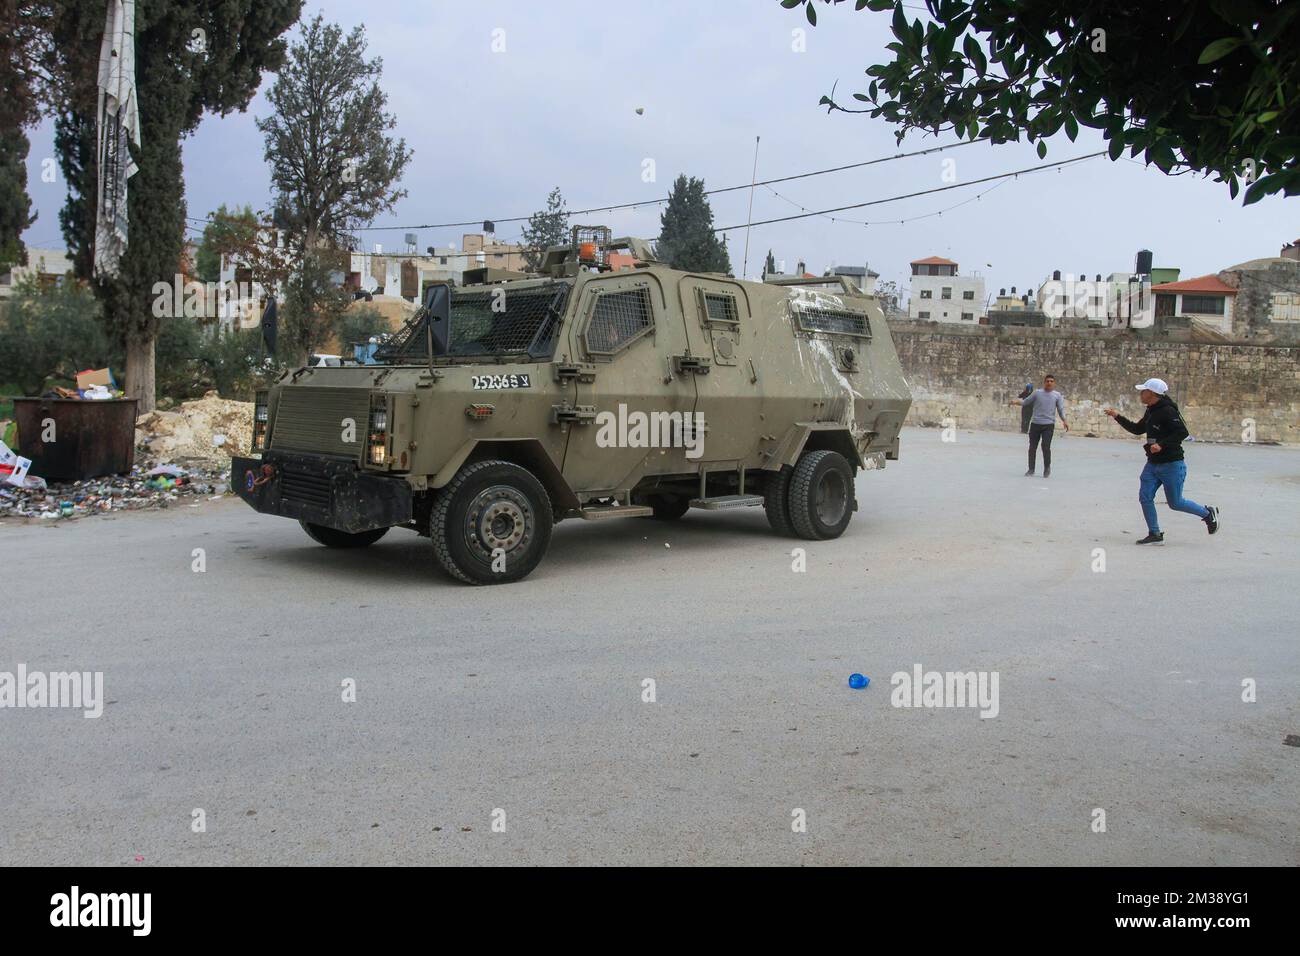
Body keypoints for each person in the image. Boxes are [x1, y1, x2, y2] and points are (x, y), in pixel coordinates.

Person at [1105, 377, 1219, 545]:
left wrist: (1161, 445)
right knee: (1145, 496)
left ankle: (1207, 513)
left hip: (1172, 464)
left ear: (1151, 393)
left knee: (1175, 502)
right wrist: (1117, 416)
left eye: (1143, 391)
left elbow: (1182, 432)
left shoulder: (1168, 410)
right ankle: (1155, 533)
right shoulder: (1150, 409)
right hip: (1152, 464)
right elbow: (1137, 429)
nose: (1140, 394)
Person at [1009, 375, 1069, 477]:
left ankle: (1047, 468)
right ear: (1044, 382)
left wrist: (1064, 420)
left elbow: (1060, 409)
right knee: (1032, 447)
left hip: (1048, 425)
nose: (1049, 383)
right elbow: (1026, 402)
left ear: (1054, 383)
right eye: (1047, 381)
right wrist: (1016, 402)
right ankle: (1031, 469)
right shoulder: (1037, 393)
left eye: (1051, 381)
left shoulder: (1057, 395)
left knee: (1045, 447)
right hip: (1035, 424)